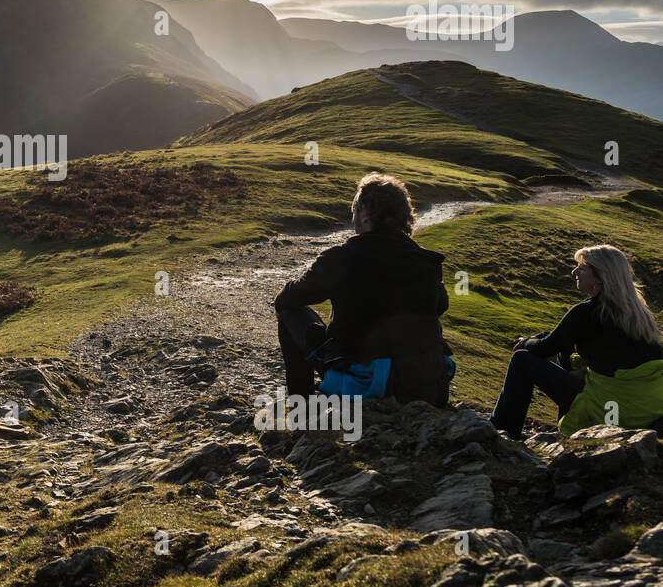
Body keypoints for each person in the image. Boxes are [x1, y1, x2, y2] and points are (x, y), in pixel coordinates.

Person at [274, 172, 453, 405]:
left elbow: (288, 298)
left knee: (289, 311)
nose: (353, 218)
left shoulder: (341, 257)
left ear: (366, 214)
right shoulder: (428, 262)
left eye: (355, 210)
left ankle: (302, 405)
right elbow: (441, 306)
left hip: (364, 384)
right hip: (427, 388)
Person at [490, 244, 663, 439]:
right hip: (647, 405)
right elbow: (564, 339)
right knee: (569, 359)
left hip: (613, 405)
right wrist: (542, 337)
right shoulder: (638, 315)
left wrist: (525, 342)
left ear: (600, 276)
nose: (574, 271)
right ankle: (564, 436)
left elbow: (544, 349)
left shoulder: (587, 312)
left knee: (522, 359)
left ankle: (500, 432)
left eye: (582, 267)